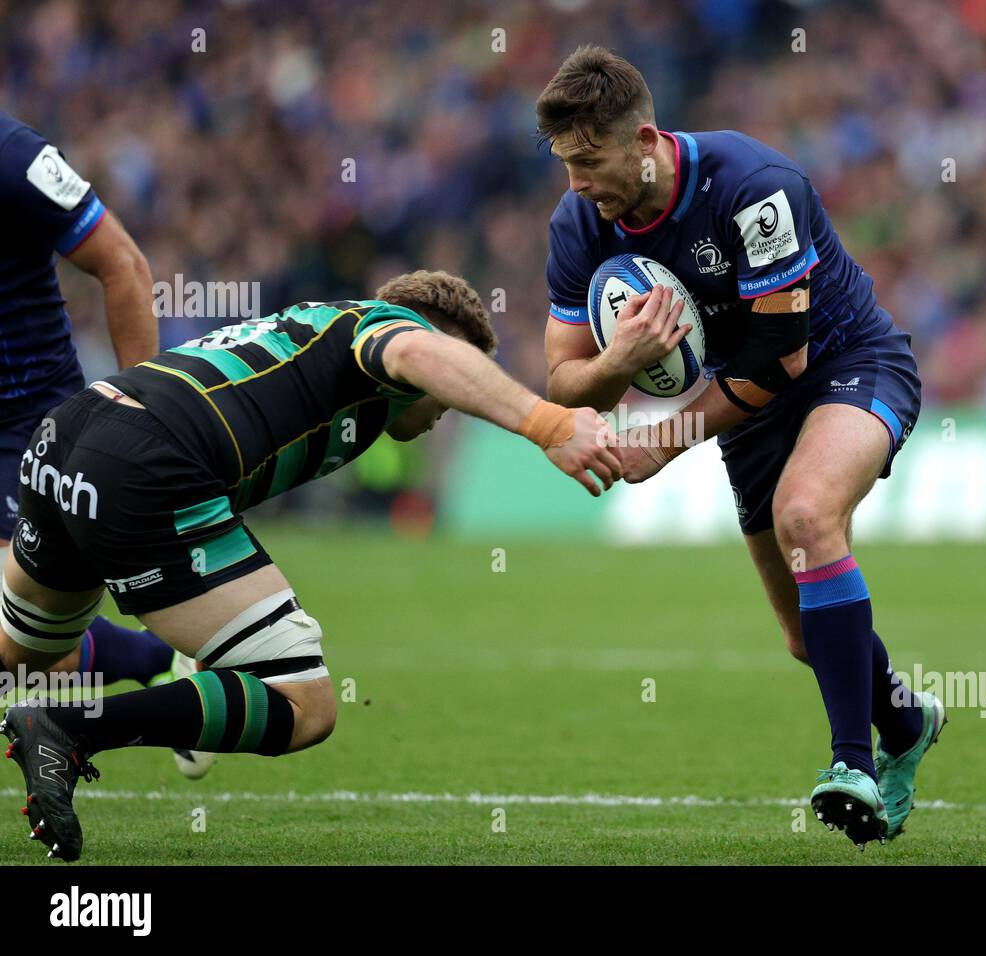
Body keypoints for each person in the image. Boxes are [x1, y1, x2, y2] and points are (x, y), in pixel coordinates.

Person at [1, 270, 620, 860]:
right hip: (143, 465)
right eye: (459, 384)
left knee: (23, 655)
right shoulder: (380, 329)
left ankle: (111, 685)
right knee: (305, 705)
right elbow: (416, 353)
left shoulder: (315, 331)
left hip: (67, 435)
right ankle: (69, 724)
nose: (446, 411)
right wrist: (550, 423)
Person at [536, 46, 944, 848]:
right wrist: (616, 363)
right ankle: (905, 722)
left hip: (847, 363)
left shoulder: (756, 189)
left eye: (589, 162)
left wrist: (663, 441)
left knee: (807, 514)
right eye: (565, 165)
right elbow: (561, 377)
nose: (578, 183)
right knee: (803, 637)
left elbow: (781, 360)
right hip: (745, 405)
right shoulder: (577, 222)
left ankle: (851, 766)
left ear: (645, 140)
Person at [0, 111, 186, 717]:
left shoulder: (15, 158)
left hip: (26, 425)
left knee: (19, 646)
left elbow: (124, 265)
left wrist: (143, 418)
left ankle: (156, 664)